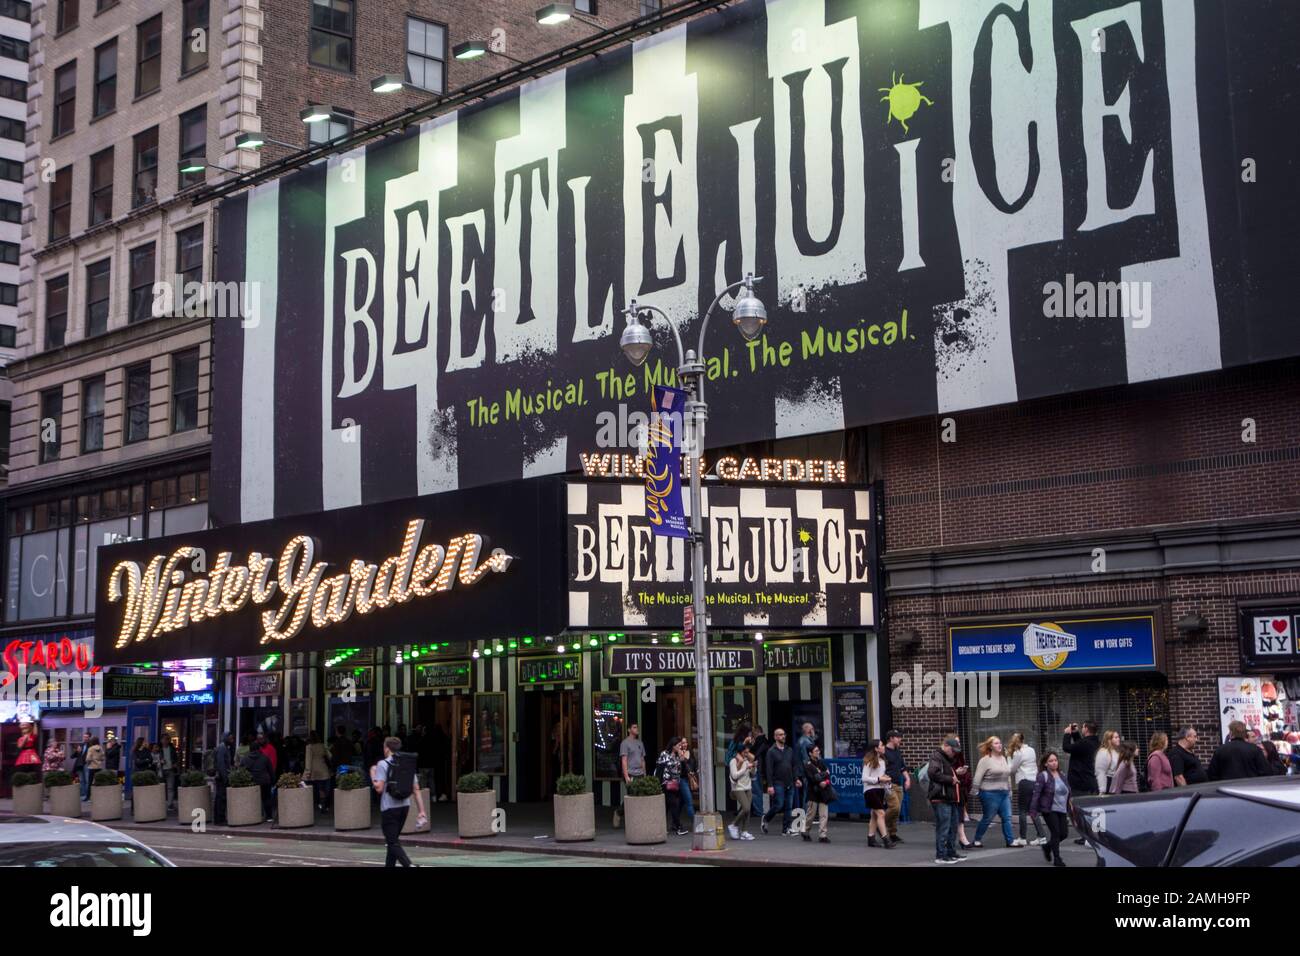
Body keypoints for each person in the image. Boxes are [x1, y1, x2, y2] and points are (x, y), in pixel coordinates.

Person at [373, 735, 426, 867]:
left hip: (389, 808)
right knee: (393, 841)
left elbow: (379, 788)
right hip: (404, 806)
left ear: (386, 748)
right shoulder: (407, 764)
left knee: (392, 842)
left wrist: (372, 773)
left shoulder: (382, 764)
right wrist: (422, 811)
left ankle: (409, 865)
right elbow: (416, 789)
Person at [926, 735, 965, 864]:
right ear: (946, 746)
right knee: (944, 827)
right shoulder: (937, 756)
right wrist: (951, 779)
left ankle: (950, 852)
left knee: (952, 826)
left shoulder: (946, 758)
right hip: (941, 797)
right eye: (952, 750)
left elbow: (940, 773)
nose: (954, 753)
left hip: (948, 796)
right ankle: (941, 855)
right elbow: (932, 773)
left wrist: (955, 773)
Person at [1029, 750, 1070, 867]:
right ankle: (1057, 859)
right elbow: (1036, 794)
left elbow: (1068, 792)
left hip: (1062, 809)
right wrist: (1033, 810)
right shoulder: (1043, 776)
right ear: (1046, 763)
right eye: (1050, 761)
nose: (1054, 763)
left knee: (1064, 834)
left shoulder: (1062, 775)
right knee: (1056, 833)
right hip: (1049, 809)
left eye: (1055, 760)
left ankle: (1047, 847)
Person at [971, 736, 1014, 848]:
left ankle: (1010, 841)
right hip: (989, 794)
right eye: (996, 743)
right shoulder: (985, 760)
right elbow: (977, 777)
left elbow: (1007, 775)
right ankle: (977, 839)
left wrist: (1009, 790)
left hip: (1004, 793)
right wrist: (975, 792)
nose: (999, 745)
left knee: (1007, 817)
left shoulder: (1004, 759)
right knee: (988, 818)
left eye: (1000, 743)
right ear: (990, 746)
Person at [1062, 721, 1100, 843]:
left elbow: (1067, 747)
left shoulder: (1085, 743)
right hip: (1089, 781)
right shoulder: (1094, 742)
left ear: (1087, 729)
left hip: (1080, 782)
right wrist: (1076, 733)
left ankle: (1088, 837)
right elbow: (1080, 746)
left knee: (1078, 810)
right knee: (1087, 810)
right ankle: (1088, 836)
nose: (1081, 729)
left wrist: (1067, 734)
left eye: (1082, 727)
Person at [761, 727, 802, 835]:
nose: (783, 736)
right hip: (777, 782)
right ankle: (766, 818)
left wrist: (796, 778)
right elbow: (768, 770)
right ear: (775, 737)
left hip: (790, 782)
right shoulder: (771, 751)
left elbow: (794, 766)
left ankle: (786, 829)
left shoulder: (789, 750)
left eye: (783, 734)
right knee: (778, 805)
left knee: (789, 806)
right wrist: (770, 785)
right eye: (779, 734)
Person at [1007, 732, 1045, 846]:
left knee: (1022, 811)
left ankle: (1023, 837)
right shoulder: (1031, 750)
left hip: (1024, 781)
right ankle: (1042, 836)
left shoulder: (1018, 753)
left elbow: (1011, 769)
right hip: (1034, 781)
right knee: (1033, 810)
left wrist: (1008, 757)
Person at [613, 722, 646, 829]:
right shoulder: (625, 743)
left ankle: (637, 819)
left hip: (640, 773)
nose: (637, 729)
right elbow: (624, 760)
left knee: (640, 795)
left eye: (637, 727)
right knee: (632, 795)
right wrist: (626, 776)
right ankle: (619, 812)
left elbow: (642, 759)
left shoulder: (640, 743)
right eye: (634, 727)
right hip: (630, 772)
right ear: (629, 730)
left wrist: (644, 773)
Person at [861, 738, 892, 848]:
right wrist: (879, 779)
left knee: (874, 815)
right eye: (881, 745)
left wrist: (887, 782)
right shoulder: (869, 761)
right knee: (881, 813)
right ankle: (886, 839)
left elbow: (881, 777)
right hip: (870, 790)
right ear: (876, 748)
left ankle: (871, 838)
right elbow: (864, 778)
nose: (883, 747)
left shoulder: (882, 761)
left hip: (880, 790)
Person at [655, 736, 689, 836]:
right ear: (673, 745)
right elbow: (659, 768)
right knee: (674, 804)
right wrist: (659, 782)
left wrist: (680, 756)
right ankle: (678, 826)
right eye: (678, 745)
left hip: (676, 783)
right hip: (666, 783)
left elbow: (684, 766)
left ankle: (660, 827)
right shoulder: (664, 754)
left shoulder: (678, 755)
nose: (680, 747)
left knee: (666, 806)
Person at [803, 743, 835, 843]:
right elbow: (813, 778)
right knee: (811, 815)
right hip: (813, 792)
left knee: (824, 814)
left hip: (823, 792)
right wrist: (823, 775)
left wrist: (824, 781)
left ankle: (822, 835)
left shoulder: (821, 762)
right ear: (810, 753)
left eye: (818, 750)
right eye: (816, 751)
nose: (818, 752)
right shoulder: (807, 764)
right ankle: (805, 831)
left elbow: (827, 775)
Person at [882, 730, 910, 844]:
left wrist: (907, 779)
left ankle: (892, 834)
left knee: (896, 812)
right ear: (891, 738)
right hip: (888, 784)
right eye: (898, 737)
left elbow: (902, 767)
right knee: (895, 807)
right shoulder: (883, 751)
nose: (900, 740)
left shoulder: (898, 751)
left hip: (899, 783)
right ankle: (881, 824)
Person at [241, 734, 275, 822]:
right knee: (266, 798)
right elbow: (270, 770)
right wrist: (273, 781)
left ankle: (255, 816)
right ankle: (269, 817)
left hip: (252, 781)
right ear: (259, 748)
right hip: (264, 781)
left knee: (253, 800)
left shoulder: (245, 759)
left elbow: (241, 771)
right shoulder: (265, 758)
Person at [727, 743, 756, 841]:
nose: (746, 754)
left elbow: (752, 775)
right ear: (739, 752)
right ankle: (733, 825)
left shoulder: (747, 761)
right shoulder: (733, 761)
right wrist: (745, 768)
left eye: (748, 752)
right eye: (745, 752)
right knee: (746, 808)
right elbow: (734, 776)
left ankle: (744, 832)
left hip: (748, 787)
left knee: (747, 811)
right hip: (738, 788)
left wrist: (754, 767)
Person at [304, 731, 332, 812]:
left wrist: (308, 772)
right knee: (323, 789)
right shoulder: (322, 745)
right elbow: (330, 756)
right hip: (323, 769)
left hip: (314, 770)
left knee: (315, 789)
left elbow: (308, 760)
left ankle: (318, 806)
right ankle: (324, 806)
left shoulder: (309, 747)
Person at [213, 732, 236, 825]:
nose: (232, 741)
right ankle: (220, 819)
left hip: (223, 776)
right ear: (226, 738)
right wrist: (225, 778)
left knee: (220, 798)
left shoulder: (226, 748)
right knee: (221, 798)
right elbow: (221, 764)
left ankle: (219, 818)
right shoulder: (222, 748)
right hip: (222, 777)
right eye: (230, 739)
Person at [795, 722, 816, 810]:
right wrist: (811, 770)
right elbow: (806, 758)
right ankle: (806, 815)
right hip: (805, 772)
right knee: (806, 794)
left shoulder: (803, 740)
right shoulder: (805, 741)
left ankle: (805, 814)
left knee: (804, 793)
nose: (813, 730)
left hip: (801, 771)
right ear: (807, 730)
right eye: (811, 728)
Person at [750, 724, 769, 817]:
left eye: (753, 731)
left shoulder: (759, 741)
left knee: (756, 790)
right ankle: (755, 810)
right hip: (761, 769)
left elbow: (754, 754)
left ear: (757, 731)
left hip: (757, 769)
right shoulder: (764, 741)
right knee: (756, 790)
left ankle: (758, 811)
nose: (752, 734)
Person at [160, 738, 178, 809]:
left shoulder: (172, 749)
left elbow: (176, 758)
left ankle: (170, 804)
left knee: (170, 787)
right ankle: (161, 803)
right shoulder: (159, 749)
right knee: (161, 787)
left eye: (166, 740)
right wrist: (160, 761)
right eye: (163, 740)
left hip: (170, 769)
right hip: (161, 770)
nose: (165, 741)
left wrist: (175, 764)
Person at [73, 732, 91, 799]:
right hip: (80, 765)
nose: (85, 738)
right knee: (81, 780)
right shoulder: (81, 745)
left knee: (87, 780)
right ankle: (83, 795)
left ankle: (87, 795)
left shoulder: (91, 745)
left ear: (89, 738)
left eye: (86, 737)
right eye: (84, 737)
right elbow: (73, 756)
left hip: (87, 764)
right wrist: (77, 751)